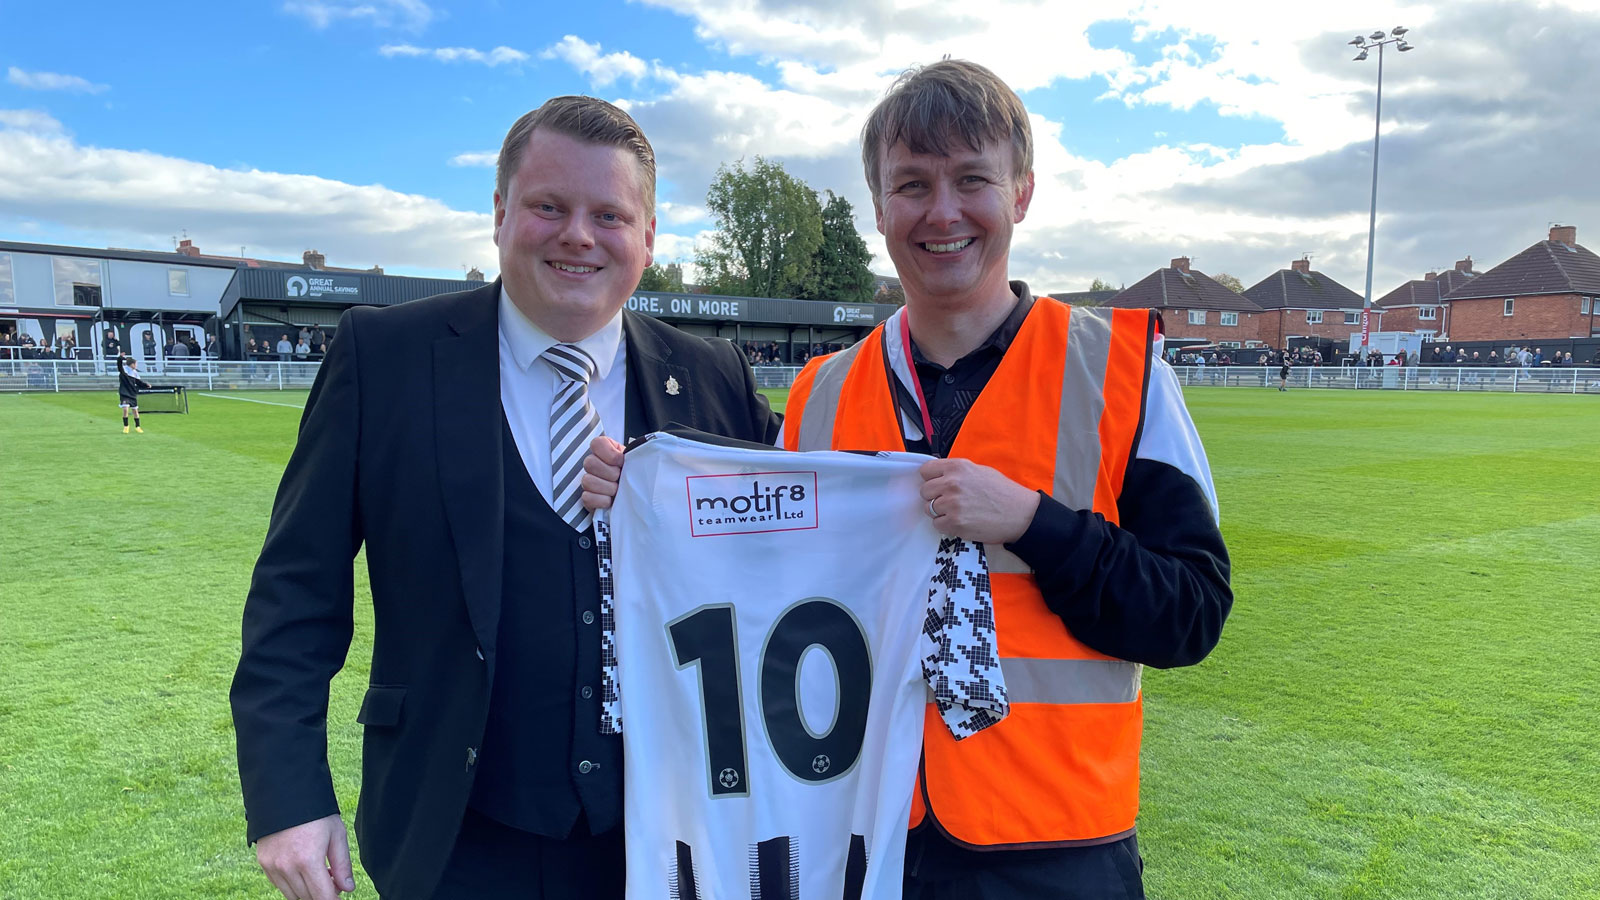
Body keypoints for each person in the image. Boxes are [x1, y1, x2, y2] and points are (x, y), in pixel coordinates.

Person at [586, 59, 1230, 900]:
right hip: (852, 835)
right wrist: (644, 501)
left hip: (1057, 844)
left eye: (972, 180)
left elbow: (1192, 615)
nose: (943, 211)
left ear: (1023, 193)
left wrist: (1038, 525)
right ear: (881, 208)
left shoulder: (1122, 373)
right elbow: (756, 593)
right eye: (913, 185)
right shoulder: (819, 396)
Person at [230, 95, 781, 900]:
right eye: (549, 207)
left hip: (669, 837)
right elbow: (295, 592)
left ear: (650, 237)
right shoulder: (384, 357)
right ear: (499, 214)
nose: (578, 236)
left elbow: (795, 548)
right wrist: (287, 797)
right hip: (454, 838)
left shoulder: (711, 377)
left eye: (609, 215)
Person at [117, 355, 152, 433]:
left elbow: (138, 382)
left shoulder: (135, 373)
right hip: (125, 393)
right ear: (132, 364)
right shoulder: (124, 372)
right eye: (135, 364)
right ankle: (126, 426)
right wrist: (120, 358)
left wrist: (146, 385)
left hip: (132, 393)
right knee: (125, 409)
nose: (136, 366)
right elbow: (119, 366)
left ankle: (137, 427)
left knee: (135, 411)